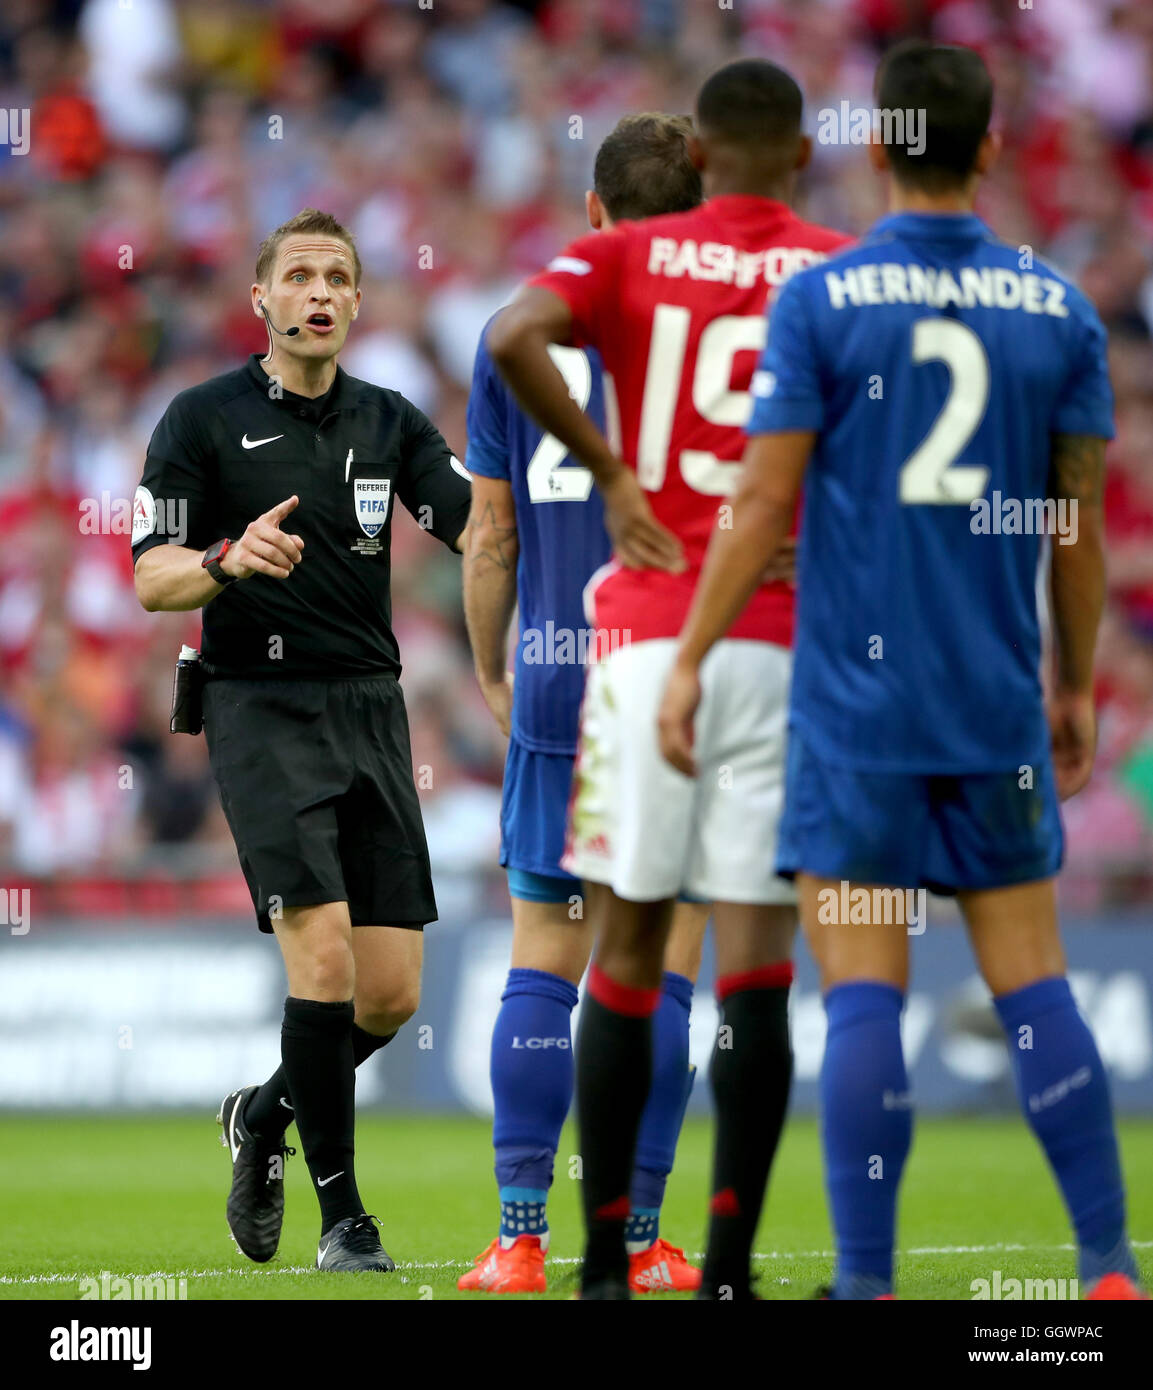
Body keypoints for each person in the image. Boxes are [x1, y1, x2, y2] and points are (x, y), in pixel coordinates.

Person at [658, 40, 1145, 1301]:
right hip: (992, 708)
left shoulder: (820, 301)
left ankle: (865, 1287)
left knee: (863, 995)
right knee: (1034, 982)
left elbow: (763, 500)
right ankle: (1105, 1270)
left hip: (857, 716)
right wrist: (1076, 685)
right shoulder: (1060, 309)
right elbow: (1073, 530)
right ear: (987, 150)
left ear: (874, 149)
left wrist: (692, 654)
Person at [487, 60, 851, 1300]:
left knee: (607, 947)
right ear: (797, 156)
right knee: (750, 958)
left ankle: (569, 1251)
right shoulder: (832, 267)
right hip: (780, 635)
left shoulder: (632, 269)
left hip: (627, 648)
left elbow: (508, 342)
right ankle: (712, 1265)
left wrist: (611, 472)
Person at [131, 208, 472, 1274]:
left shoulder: (392, 421)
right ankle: (347, 1221)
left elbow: (476, 523)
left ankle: (262, 1112)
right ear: (263, 301)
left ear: (358, 304)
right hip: (258, 707)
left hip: (372, 706)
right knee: (319, 958)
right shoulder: (198, 418)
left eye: (337, 278)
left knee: (390, 992)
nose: (319, 293)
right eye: (300, 277)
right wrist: (229, 558)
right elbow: (151, 577)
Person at [461, 113, 710, 1296]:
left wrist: (494, 665)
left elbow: (490, 533)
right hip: (679, 680)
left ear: (595, 211)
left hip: (558, 679)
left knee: (542, 961)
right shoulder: (732, 330)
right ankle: (642, 1237)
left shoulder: (522, 332)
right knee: (657, 971)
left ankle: (517, 1239)